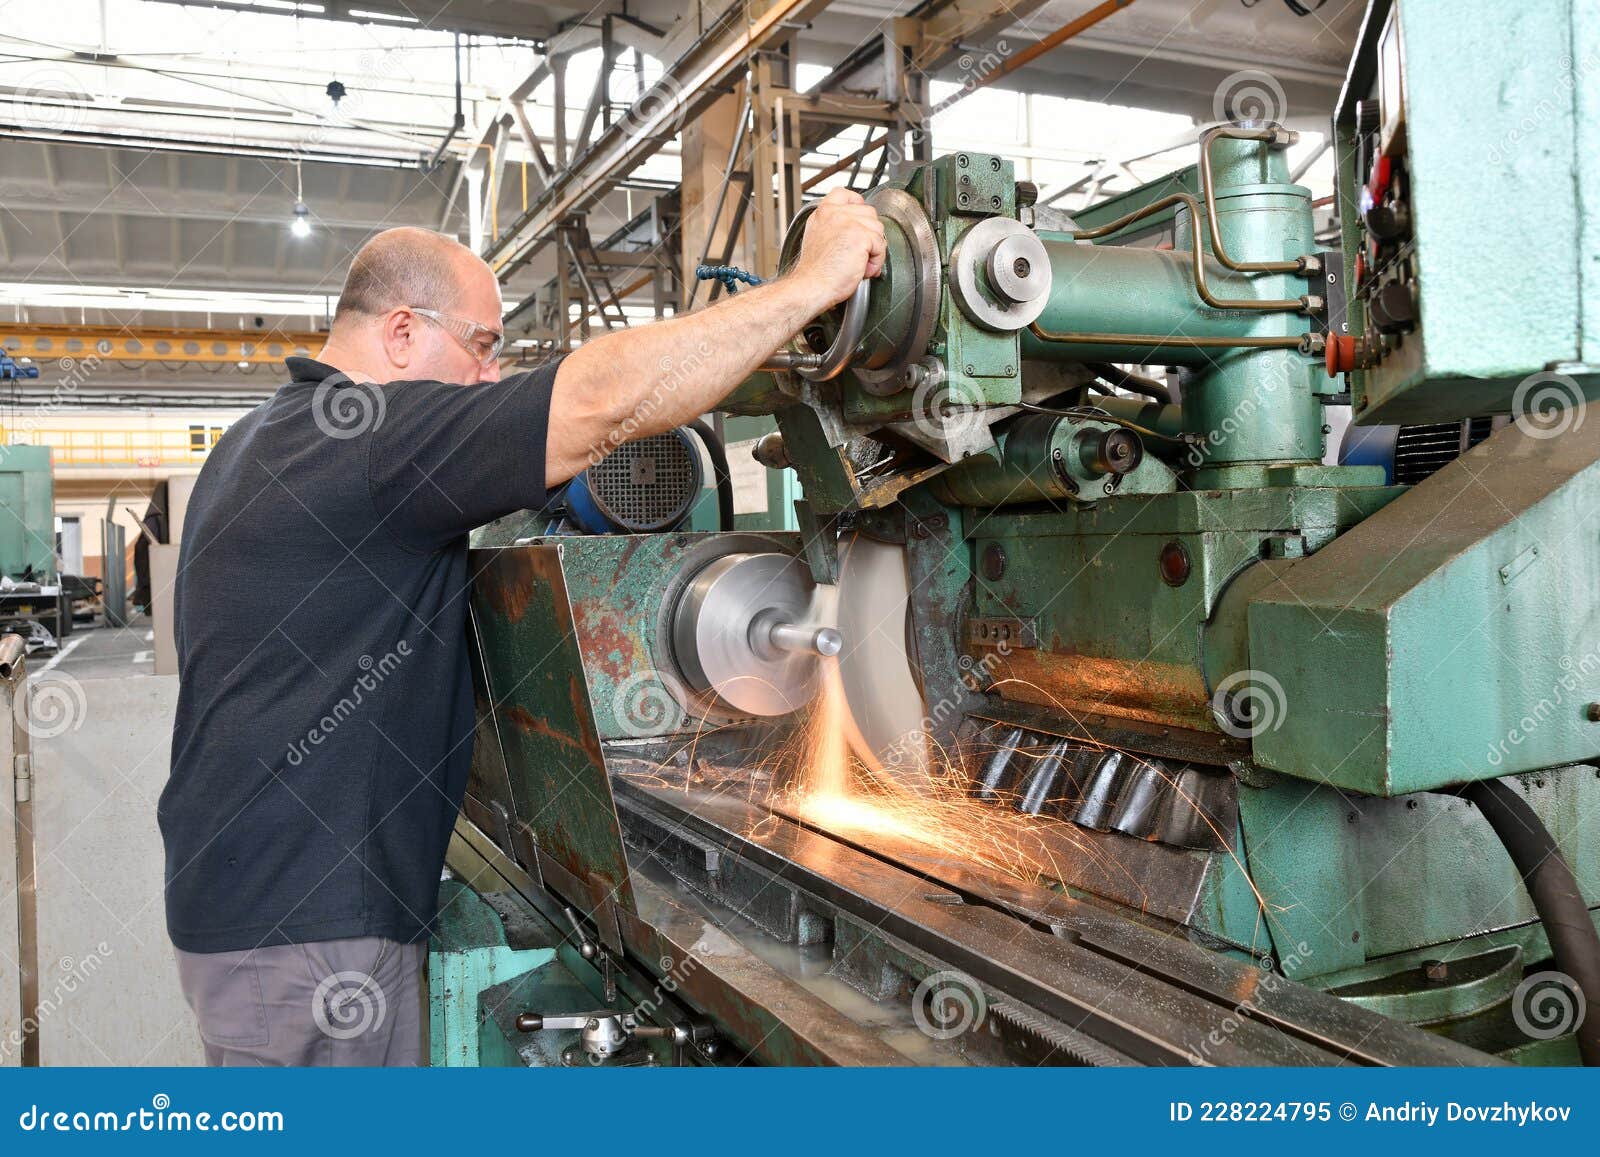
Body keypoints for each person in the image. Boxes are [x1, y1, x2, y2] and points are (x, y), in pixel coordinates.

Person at [159, 188, 886, 1065]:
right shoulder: (366, 445)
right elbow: (599, 403)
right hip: (310, 932)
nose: (489, 377)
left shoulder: (260, 440)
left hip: (261, 909)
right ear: (399, 333)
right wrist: (810, 285)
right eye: (483, 345)